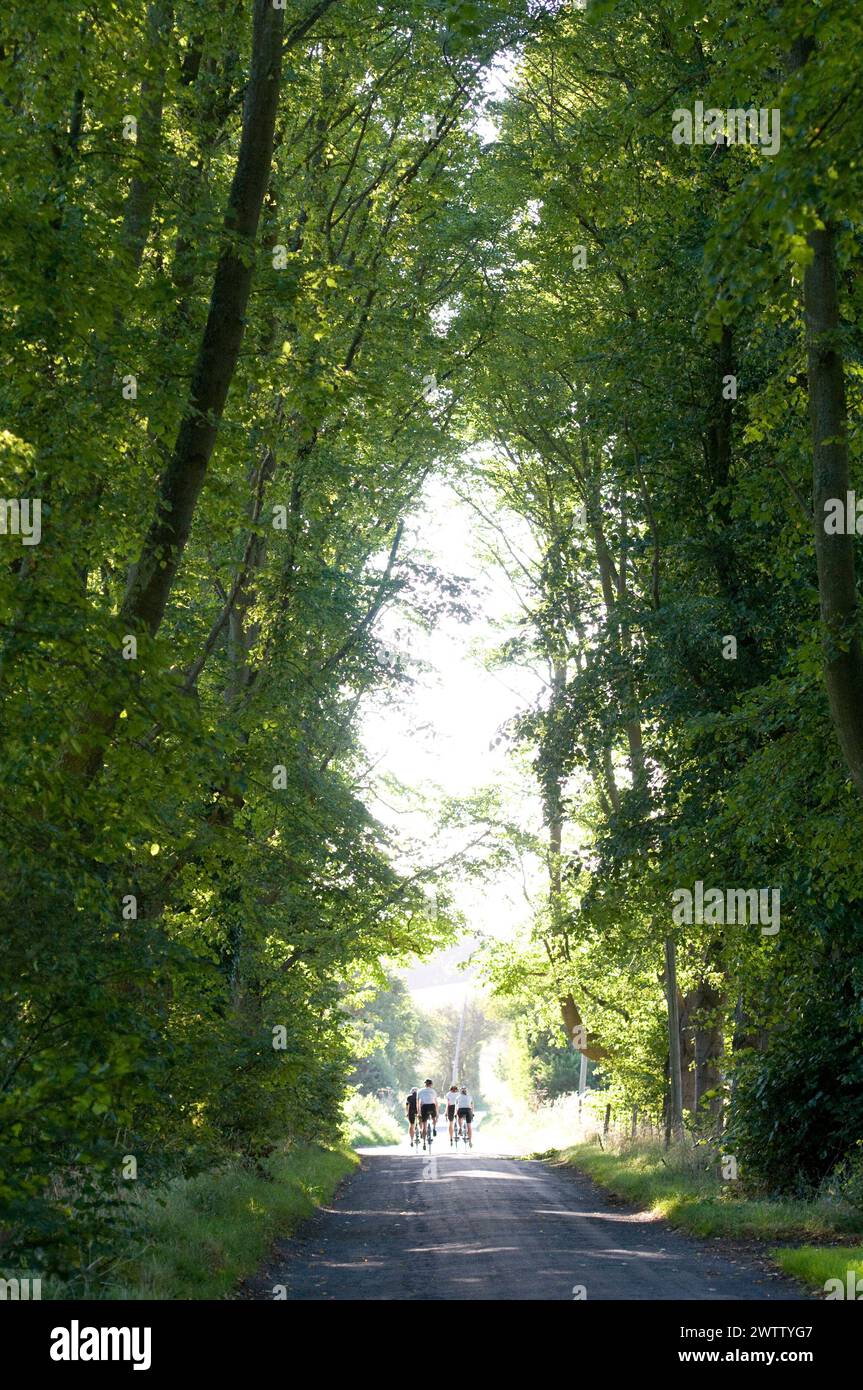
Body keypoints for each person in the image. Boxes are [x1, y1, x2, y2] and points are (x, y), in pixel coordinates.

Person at [416, 1078, 438, 1147]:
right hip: (432, 1106)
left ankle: (424, 1143)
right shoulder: (433, 1091)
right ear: (431, 1085)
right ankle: (434, 1127)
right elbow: (435, 1102)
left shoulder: (420, 1091)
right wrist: (437, 1112)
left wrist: (418, 1112)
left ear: (425, 1084)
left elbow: (418, 1103)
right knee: (434, 1118)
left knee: (424, 1125)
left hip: (424, 1107)